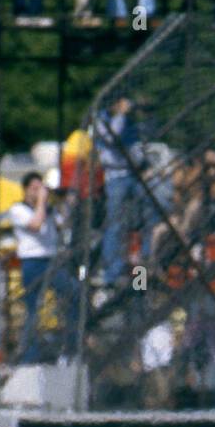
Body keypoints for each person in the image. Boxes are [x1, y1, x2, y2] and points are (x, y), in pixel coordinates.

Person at [8, 171, 76, 363]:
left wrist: (63, 204)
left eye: (41, 189)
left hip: (52, 260)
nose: (39, 193)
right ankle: (30, 355)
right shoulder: (18, 209)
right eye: (35, 189)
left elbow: (65, 225)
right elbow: (36, 225)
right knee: (33, 309)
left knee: (73, 293)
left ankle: (70, 346)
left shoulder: (49, 210)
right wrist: (42, 203)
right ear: (26, 190)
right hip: (32, 262)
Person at [94, 96, 149, 287]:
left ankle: (143, 268)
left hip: (135, 175)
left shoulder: (131, 122)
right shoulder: (102, 120)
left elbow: (139, 144)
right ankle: (112, 273)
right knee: (116, 224)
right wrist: (121, 115)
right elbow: (113, 138)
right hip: (115, 177)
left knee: (146, 219)